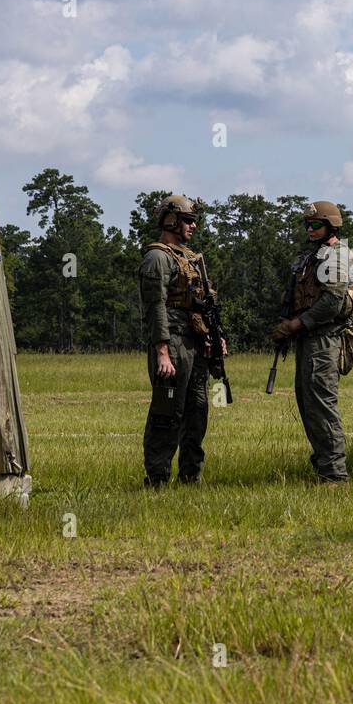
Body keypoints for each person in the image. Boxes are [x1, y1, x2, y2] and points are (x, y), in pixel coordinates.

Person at [272, 200, 353, 484]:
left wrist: (297, 324)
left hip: (325, 340)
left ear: (331, 226)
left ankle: (334, 475)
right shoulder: (312, 256)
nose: (310, 229)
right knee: (308, 405)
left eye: (316, 225)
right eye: (306, 225)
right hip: (309, 340)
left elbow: (332, 302)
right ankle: (324, 465)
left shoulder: (337, 257)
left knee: (322, 406)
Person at [139, 195, 218, 486]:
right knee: (167, 411)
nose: (193, 225)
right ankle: (157, 478)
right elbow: (155, 307)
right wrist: (162, 351)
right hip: (171, 343)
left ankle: (190, 476)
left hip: (195, 344)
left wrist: (213, 337)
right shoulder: (157, 258)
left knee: (197, 411)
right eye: (187, 220)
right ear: (170, 220)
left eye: (194, 220)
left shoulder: (190, 258)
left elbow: (203, 304)